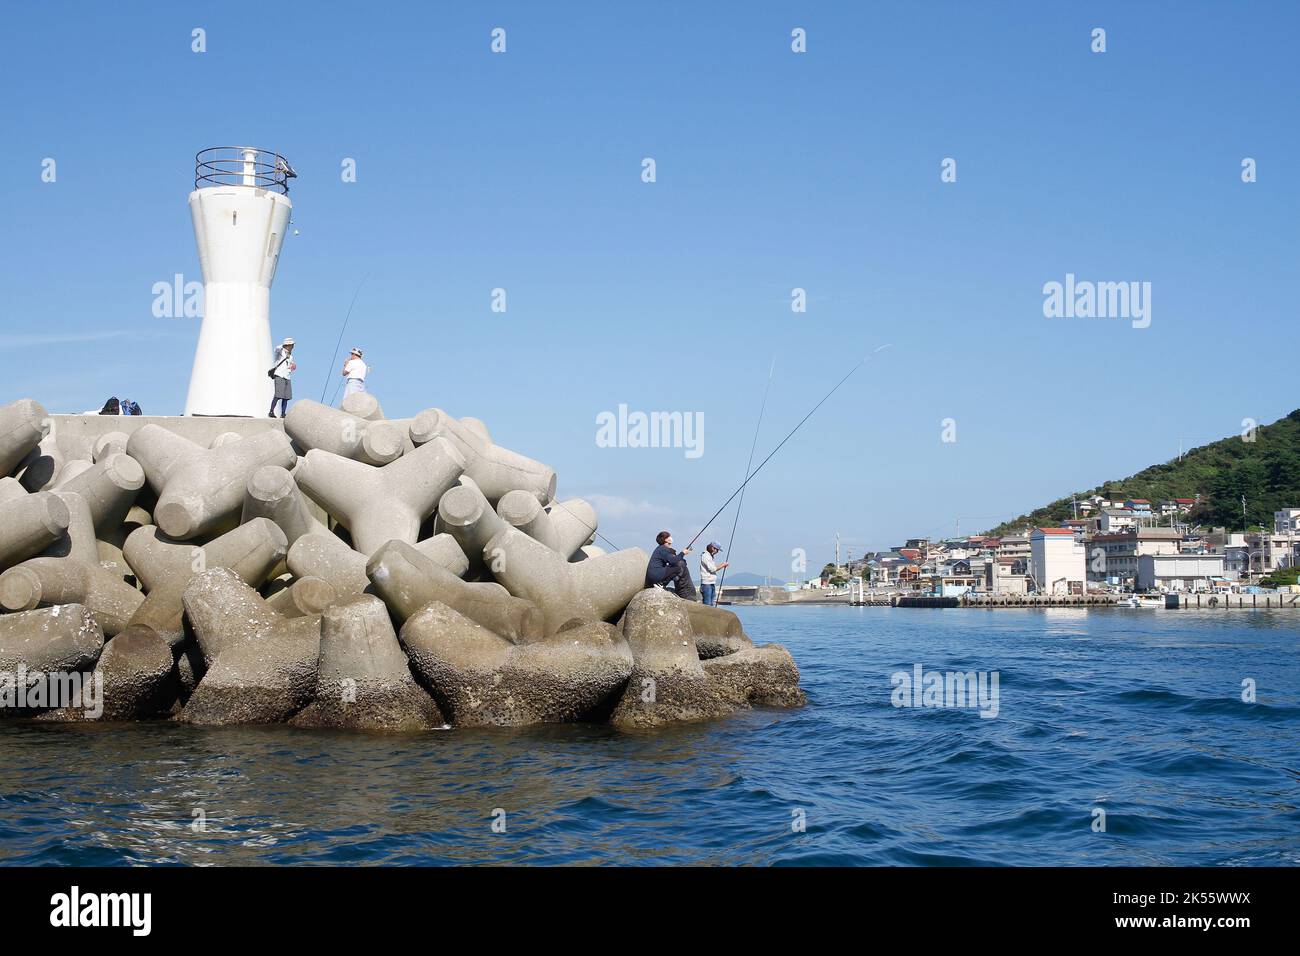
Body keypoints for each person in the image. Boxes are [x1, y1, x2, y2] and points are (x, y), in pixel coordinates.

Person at [645, 530, 698, 601]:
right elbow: (673, 561)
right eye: (668, 536)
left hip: (654, 574)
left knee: (677, 566)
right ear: (665, 539)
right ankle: (661, 584)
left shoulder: (660, 548)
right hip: (656, 574)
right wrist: (683, 553)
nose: (670, 538)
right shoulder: (663, 549)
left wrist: (682, 555)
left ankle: (661, 583)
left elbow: (673, 559)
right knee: (678, 567)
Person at [268, 337, 296, 418]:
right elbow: (276, 348)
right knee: (278, 395)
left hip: (287, 376)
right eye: (292, 345)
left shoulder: (290, 356)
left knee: (286, 397)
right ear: (288, 345)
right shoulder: (280, 351)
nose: (293, 347)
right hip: (279, 375)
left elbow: (289, 365)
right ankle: (271, 411)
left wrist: (292, 367)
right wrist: (284, 345)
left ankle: (283, 413)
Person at [699, 542, 729, 606]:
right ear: (712, 548)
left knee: (712, 604)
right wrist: (723, 565)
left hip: (711, 583)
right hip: (706, 584)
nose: (717, 552)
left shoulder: (710, 556)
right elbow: (712, 569)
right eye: (717, 550)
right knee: (707, 605)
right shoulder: (705, 556)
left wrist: (722, 565)